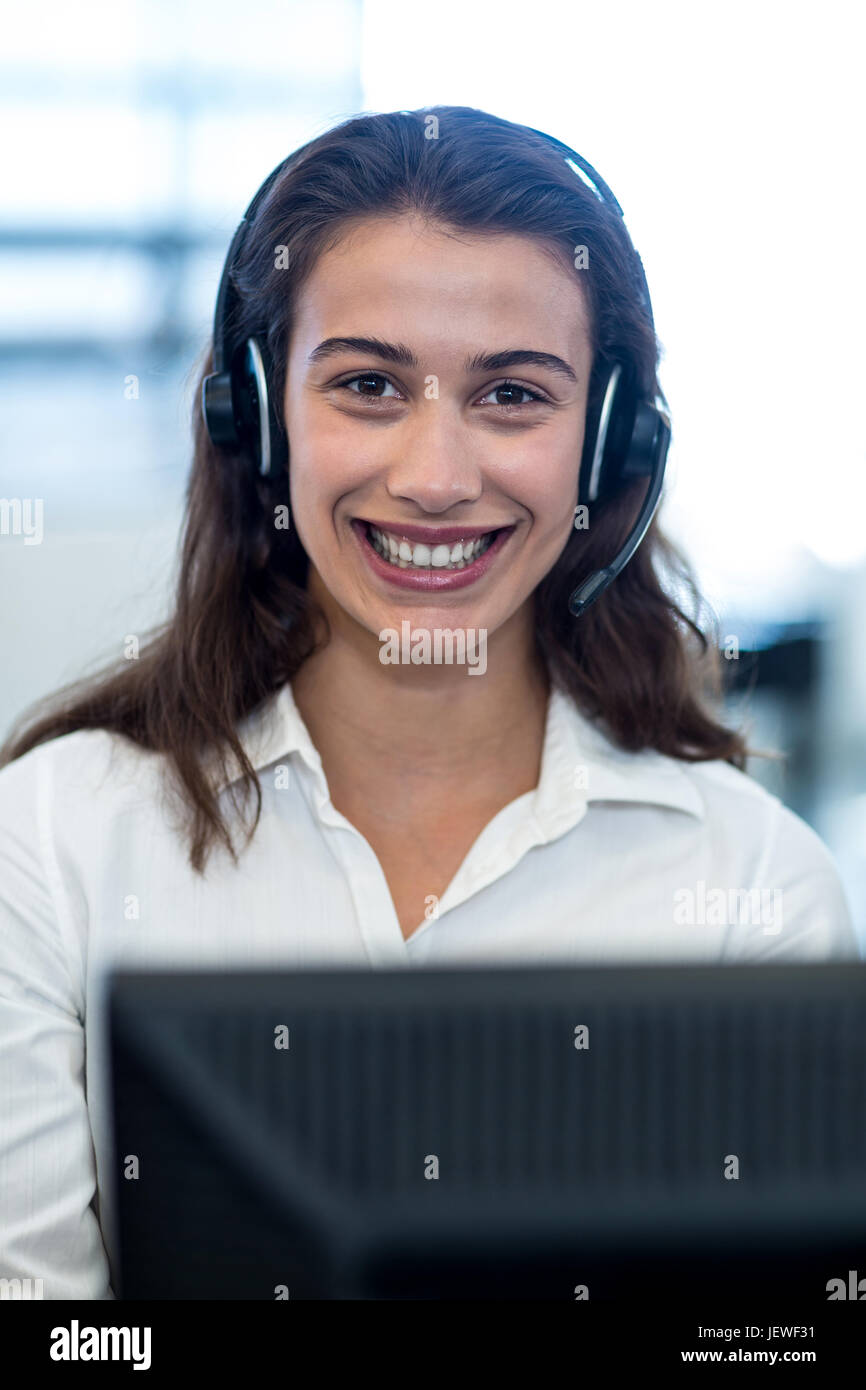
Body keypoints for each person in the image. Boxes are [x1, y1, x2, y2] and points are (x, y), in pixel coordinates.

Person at [0, 106, 858, 1300]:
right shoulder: (48, 844)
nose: (436, 479)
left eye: (512, 395)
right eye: (366, 385)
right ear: (253, 420)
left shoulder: (754, 891)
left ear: (604, 448)